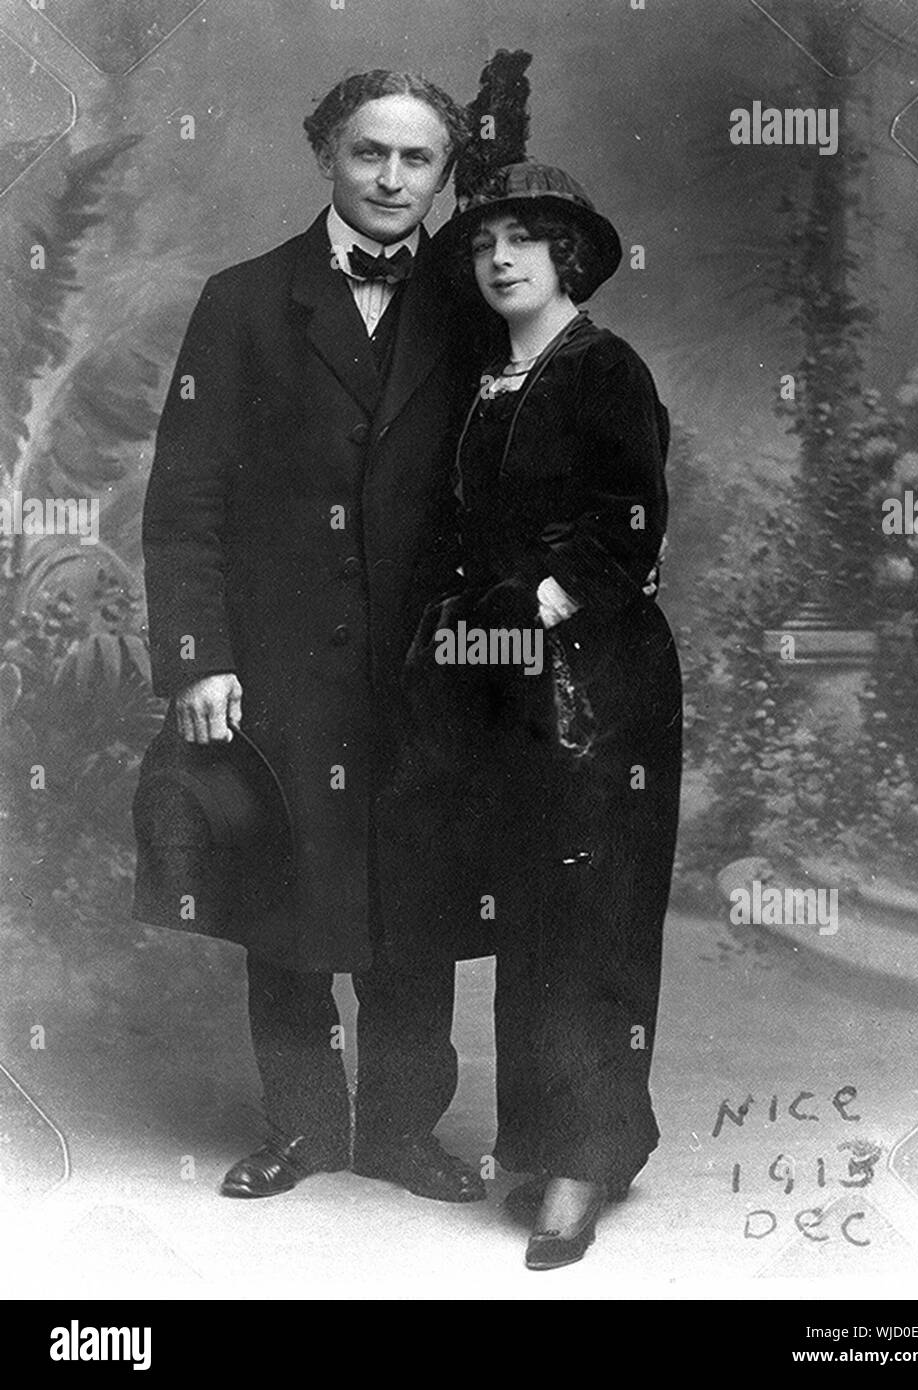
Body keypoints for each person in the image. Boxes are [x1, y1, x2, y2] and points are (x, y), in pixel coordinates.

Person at [139, 70, 492, 1205]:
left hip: (430, 668)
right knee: (283, 896)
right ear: (326, 158)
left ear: (444, 174)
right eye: (367, 154)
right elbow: (184, 497)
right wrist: (198, 656)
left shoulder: (478, 304)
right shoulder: (241, 300)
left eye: (417, 160)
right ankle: (300, 1127)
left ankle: (399, 1129)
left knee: (417, 904)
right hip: (279, 663)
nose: (391, 180)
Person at [411, 161, 683, 1268]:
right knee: (532, 917)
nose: (500, 259)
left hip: (596, 688)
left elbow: (628, 522)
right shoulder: (489, 377)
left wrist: (536, 603)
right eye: (483, 244)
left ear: (566, 255)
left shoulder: (602, 367)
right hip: (507, 682)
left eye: (524, 239)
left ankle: (586, 1158)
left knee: (594, 916)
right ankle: (537, 1139)